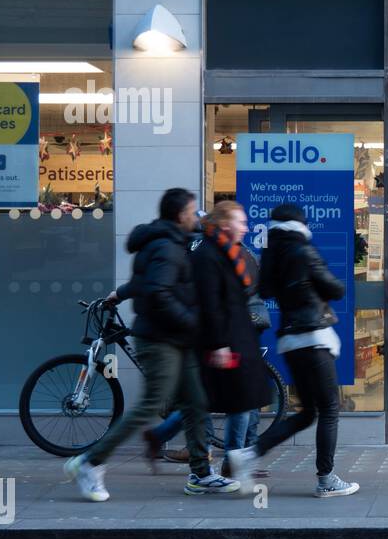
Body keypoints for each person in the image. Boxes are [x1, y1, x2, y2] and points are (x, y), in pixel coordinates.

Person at [63, 188, 241, 501]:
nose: (196, 214)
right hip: (162, 339)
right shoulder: (167, 246)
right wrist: (191, 320)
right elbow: (159, 292)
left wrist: (119, 293)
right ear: (179, 215)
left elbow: (149, 283)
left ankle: (201, 474)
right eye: (192, 210)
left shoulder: (169, 241)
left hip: (176, 338)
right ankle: (90, 463)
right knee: (150, 404)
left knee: (196, 401)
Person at [226, 203, 359, 498]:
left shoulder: (272, 255)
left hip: (289, 342)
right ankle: (326, 479)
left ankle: (248, 454)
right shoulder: (303, 251)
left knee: (306, 412)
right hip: (313, 338)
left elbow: (266, 291)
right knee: (329, 410)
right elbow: (335, 289)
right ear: (300, 225)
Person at [191, 200, 269, 464]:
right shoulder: (210, 254)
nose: (246, 228)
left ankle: (233, 458)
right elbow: (212, 302)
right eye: (241, 222)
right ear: (225, 224)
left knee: (239, 398)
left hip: (237, 337)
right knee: (237, 399)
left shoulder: (231, 252)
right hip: (226, 340)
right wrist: (221, 344)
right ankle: (229, 460)